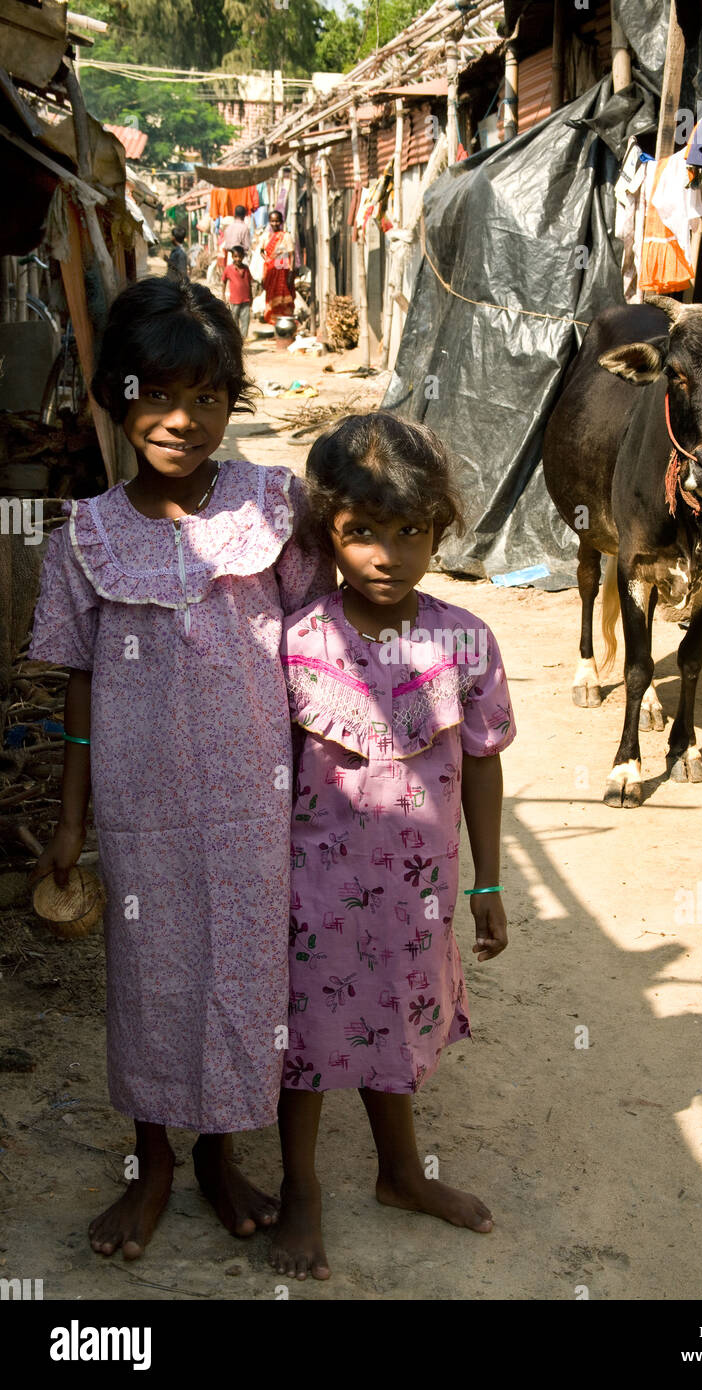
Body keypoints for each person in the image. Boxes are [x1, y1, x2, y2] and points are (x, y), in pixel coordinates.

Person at [28, 276, 333, 1261]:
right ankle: (152, 1161)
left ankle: (221, 1147)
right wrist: (71, 823)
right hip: (138, 807)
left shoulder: (271, 504)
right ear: (116, 396)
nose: (182, 419)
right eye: (157, 392)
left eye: (208, 395)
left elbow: (316, 648)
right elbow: (76, 689)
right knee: (152, 978)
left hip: (257, 801)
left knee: (245, 975)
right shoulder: (84, 536)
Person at [270, 412, 516, 1280]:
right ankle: (300, 1188)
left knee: (392, 1022)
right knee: (304, 1035)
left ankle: (401, 1173)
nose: (386, 554)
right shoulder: (297, 644)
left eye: (409, 531)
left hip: (419, 895)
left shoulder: (465, 640)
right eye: (361, 533)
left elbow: (483, 764)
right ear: (328, 535)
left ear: (440, 530)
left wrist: (488, 884)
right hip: (311, 892)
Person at [260, 208, 295, 325]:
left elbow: (291, 255)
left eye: (277, 221)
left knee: (284, 297)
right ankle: (274, 323)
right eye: (272, 221)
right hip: (270, 272)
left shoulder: (286, 236)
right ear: (269, 222)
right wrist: (268, 260)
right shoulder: (265, 237)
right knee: (271, 297)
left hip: (283, 271)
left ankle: (286, 323)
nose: (275, 224)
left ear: (281, 222)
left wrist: (291, 272)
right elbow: (261, 251)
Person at [222, 244, 253, 339]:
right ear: (232, 257)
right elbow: (223, 282)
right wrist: (223, 295)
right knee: (234, 321)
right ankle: (235, 339)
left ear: (243, 257)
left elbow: (249, 283)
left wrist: (251, 297)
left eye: (240, 256)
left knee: (245, 321)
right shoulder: (228, 269)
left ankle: (243, 339)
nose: (238, 259)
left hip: (246, 300)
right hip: (234, 301)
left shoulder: (246, 269)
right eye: (235, 256)